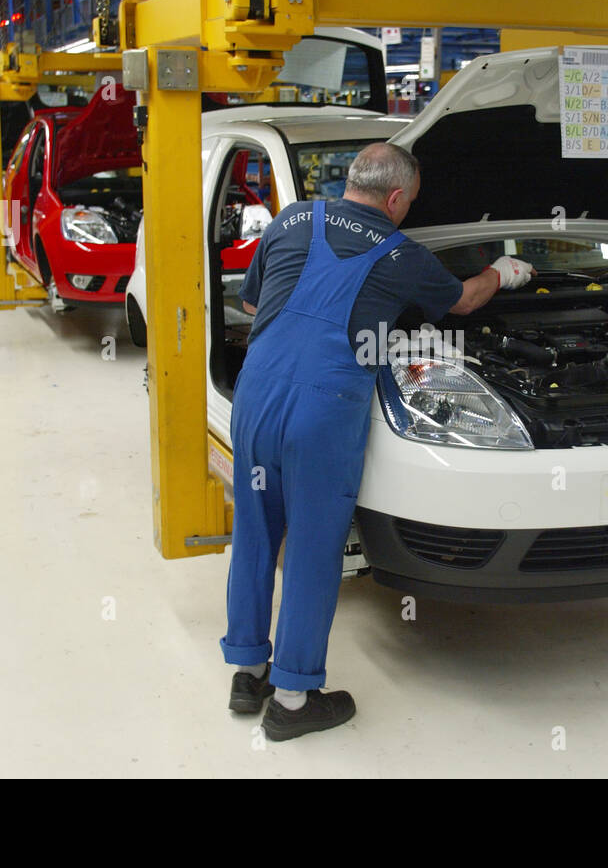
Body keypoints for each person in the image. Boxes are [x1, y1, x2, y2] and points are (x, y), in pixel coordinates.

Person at [221, 142, 534, 741]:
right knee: (313, 549)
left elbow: (254, 301)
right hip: (323, 407)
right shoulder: (402, 254)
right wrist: (501, 271)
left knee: (257, 532)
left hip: (257, 392)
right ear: (395, 198)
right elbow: (464, 301)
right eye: (410, 202)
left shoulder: (292, 219)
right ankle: (291, 702)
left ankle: (248, 670)